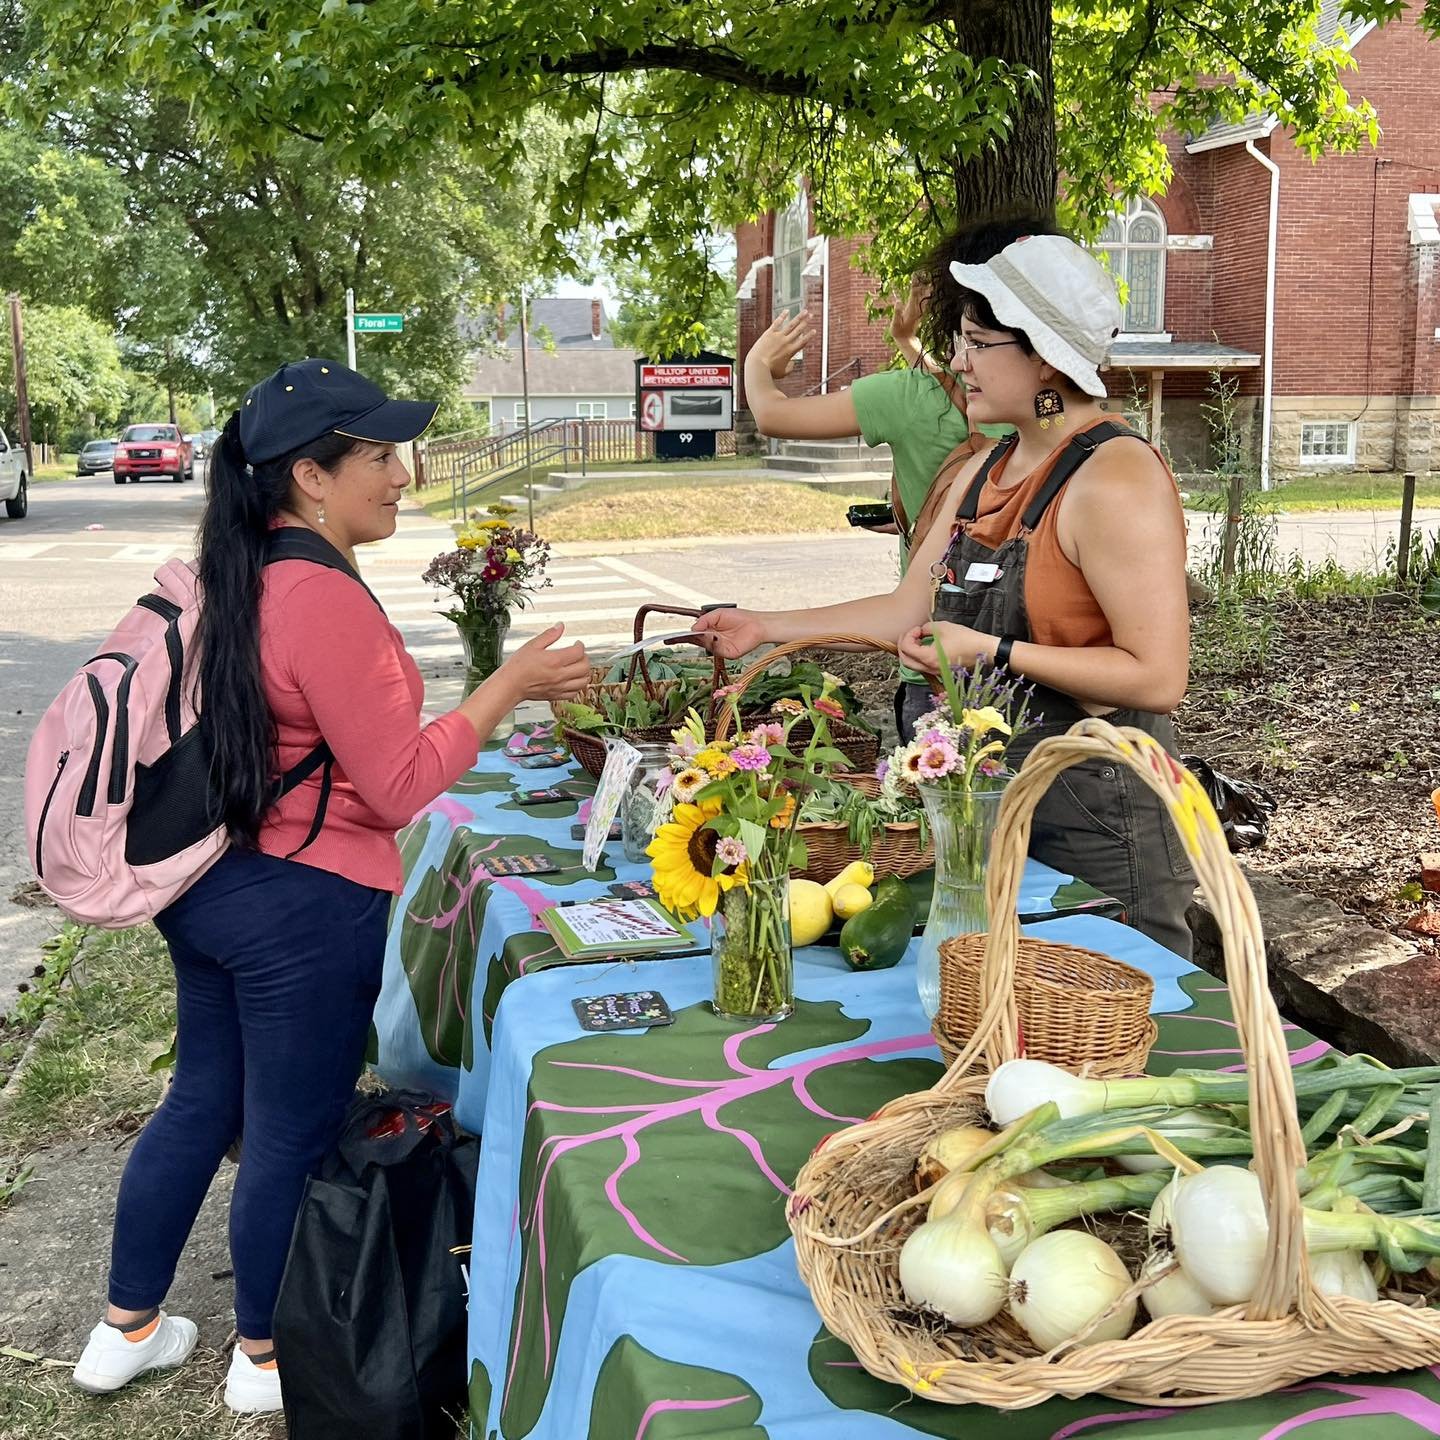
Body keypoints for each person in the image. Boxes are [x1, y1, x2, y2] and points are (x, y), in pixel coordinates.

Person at [70, 360, 592, 1412]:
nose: (402, 475)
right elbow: (398, 784)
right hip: (302, 910)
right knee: (289, 1133)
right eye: (380, 457)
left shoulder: (246, 568)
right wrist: (507, 686)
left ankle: (125, 1328)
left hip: (217, 889)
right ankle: (264, 1357)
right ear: (310, 475)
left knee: (202, 1098)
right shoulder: (320, 596)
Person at [698, 234, 1195, 958]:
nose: (958, 361)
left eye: (978, 342)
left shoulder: (1115, 478)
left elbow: (1158, 675)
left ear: (1047, 356)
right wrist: (764, 626)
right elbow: (908, 610)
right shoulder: (988, 466)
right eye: (961, 341)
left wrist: (991, 650)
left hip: (1095, 828)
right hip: (987, 818)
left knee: (1097, 1047)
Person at [742, 222, 1022, 733]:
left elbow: (773, 417)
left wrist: (758, 364)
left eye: (977, 341)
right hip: (1025, 686)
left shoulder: (911, 397)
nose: (963, 359)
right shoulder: (1043, 429)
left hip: (934, 666)